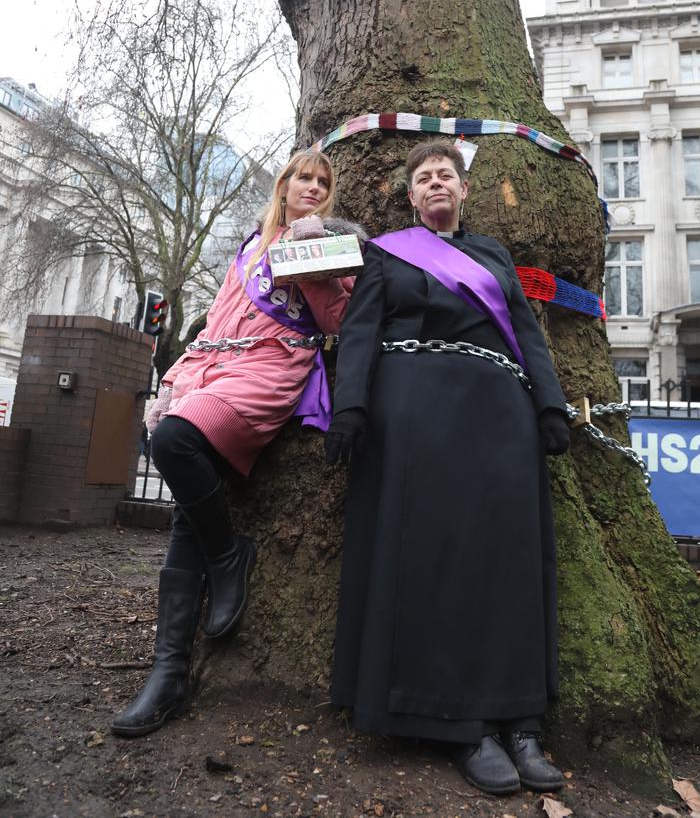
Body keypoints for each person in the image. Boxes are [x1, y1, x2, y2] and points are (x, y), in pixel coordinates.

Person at [325, 140, 571, 797]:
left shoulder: (493, 256)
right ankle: (464, 726)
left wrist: (550, 407)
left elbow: (527, 332)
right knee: (438, 563)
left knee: (508, 565)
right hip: (416, 424)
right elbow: (359, 330)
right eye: (424, 177)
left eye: (446, 175)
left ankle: (520, 719)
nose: (436, 183)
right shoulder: (387, 253)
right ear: (412, 197)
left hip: (501, 421)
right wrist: (349, 405)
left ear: (463, 192)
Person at [112, 150, 357, 739]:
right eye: (304, 177)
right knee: (182, 511)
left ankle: (228, 556)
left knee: (174, 443)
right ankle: (167, 675)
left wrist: (316, 255)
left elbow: (337, 321)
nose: (313, 187)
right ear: (284, 183)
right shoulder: (249, 248)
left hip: (273, 370)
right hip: (214, 369)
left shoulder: (326, 242)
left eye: (323, 183)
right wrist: (174, 380)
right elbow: (215, 324)